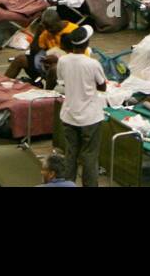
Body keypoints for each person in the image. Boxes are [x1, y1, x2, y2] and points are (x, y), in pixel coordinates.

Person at [55, 26, 106, 186]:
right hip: (90, 118)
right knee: (90, 156)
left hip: (69, 115)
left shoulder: (63, 60)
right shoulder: (92, 64)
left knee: (71, 153)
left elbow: (62, 83)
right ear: (87, 43)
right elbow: (102, 86)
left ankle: (67, 184)